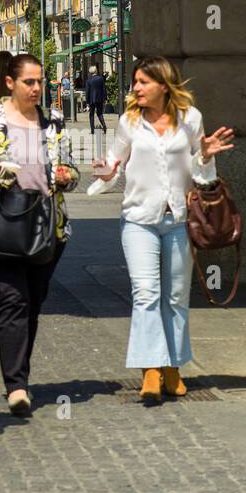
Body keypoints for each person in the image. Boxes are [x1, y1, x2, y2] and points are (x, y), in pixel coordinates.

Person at [92, 57, 234, 403]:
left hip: (179, 219)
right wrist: (107, 174)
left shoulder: (191, 120)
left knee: (176, 296)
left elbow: (203, 176)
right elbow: (114, 162)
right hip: (138, 219)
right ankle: (151, 369)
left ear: (163, 85)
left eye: (143, 82)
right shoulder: (128, 122)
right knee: (146, 293)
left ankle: (173, 365)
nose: (136, 88)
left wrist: (205, 155)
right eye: (135, 82)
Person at [0, 52, 79, 417]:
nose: (37, 88)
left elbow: (70, 169)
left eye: (40, 81)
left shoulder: (53, 121)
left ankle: (20, 374)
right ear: (11, 83)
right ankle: (16, 386)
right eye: (29, 82)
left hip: (46, 226)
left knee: (32, 304)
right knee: (10, 302)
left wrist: (67, 176)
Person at [86, 64, 107, 133]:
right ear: (96, 71)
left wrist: (87, 102)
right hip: (100, 98)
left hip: (92, 99)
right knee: (99, 113)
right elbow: (104, 89)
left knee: (91, 114)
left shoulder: (89, 81)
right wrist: (105, 99)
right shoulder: (101, 79)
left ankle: (92, 130)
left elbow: (87, 92)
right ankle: (104, 125)